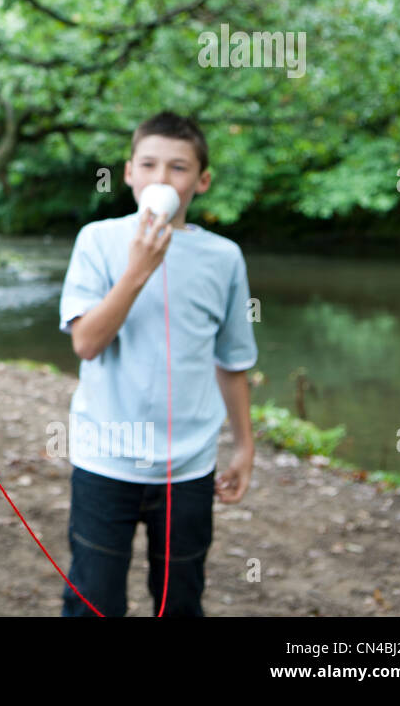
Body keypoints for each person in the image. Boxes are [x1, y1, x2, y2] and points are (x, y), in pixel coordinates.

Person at [57, 111, 257, 616]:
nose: (161, 179)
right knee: (93, 600)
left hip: (188, 467)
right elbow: (86, 343)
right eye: (148, 164)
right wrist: (138, 270)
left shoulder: (224, 257)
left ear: (202, 181)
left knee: (180, 599)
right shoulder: (97, 240)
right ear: (128, 173)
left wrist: (244, 445)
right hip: (105, 459)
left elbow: (232, 360)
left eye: (178, 168)